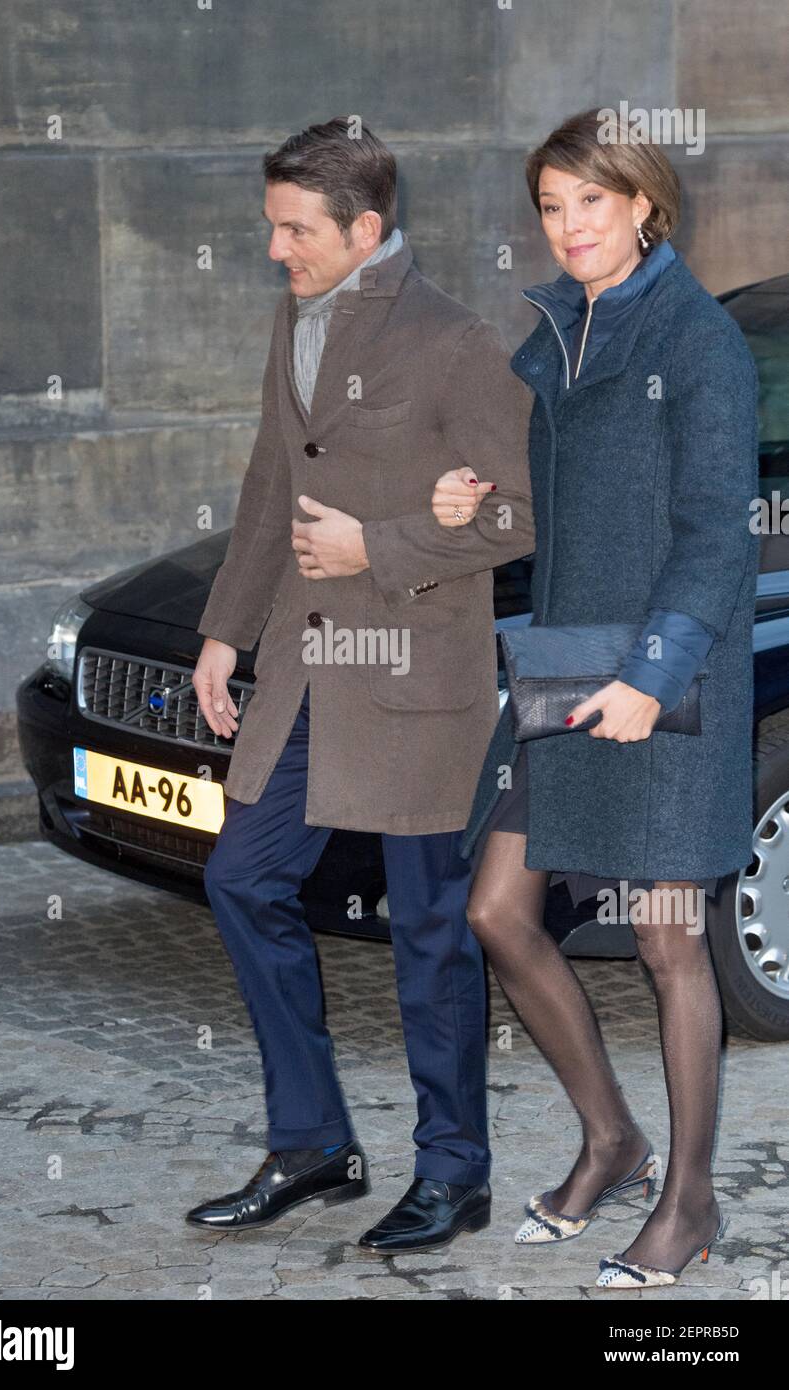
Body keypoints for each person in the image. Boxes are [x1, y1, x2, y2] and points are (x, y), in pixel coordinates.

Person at [187, 116, 535, 1253]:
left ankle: (455, 1172)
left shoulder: (455, 342)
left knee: (428, 930)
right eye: (271, 226)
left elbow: (519, 515)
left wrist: (375, 548)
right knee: (243, 877)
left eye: (295, 230)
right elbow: (267, 486)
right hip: (303, 672)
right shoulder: (292, 318)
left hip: (414, 683)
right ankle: (313, 1144)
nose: (274, 250)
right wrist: (223, 634)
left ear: (365, 228)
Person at [435, 107, 759, 1287]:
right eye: (550, 205)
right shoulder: (561, 334)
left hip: (671, 676)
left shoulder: (697, 341)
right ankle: (610, 1139)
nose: (568, 225)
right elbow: (564, 525)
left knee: (669, 939)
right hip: (570, 662)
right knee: (494, 909)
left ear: (641, 205)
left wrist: (649, 676)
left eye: (590, 201)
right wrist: (485, 508)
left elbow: (714, 535)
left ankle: (687, 1202)